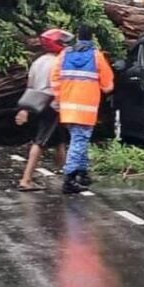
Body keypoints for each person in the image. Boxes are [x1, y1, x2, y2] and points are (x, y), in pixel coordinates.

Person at [51, 25, 113, 195]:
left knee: (79, 140)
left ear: (77, 37)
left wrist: (59, 97)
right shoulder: (96, 56)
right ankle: (69, 178)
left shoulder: (64, 54)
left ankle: (83, 173)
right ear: (91, 38)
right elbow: (108, 86)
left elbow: (54, 78)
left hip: (67, 107)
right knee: (79, 141)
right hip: (86, 109)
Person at [14, 28, 72, 192]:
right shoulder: (59, 62)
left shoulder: (38, 62)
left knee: (60, 140)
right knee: (40, 141)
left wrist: (24, 109)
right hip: (52, 104)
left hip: (39, 103)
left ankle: (67, 173)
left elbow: (30, 86)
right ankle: (26, 179)